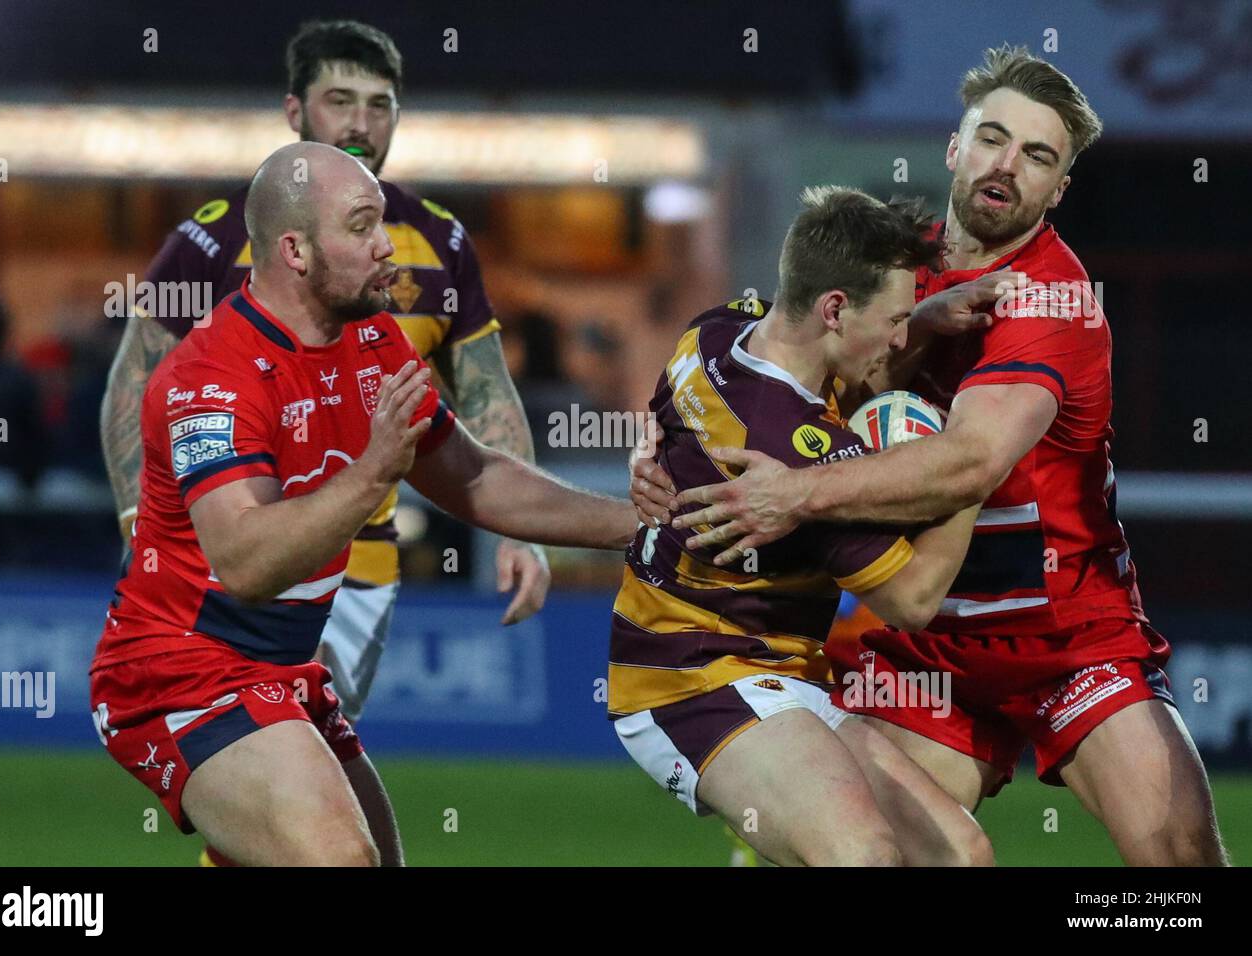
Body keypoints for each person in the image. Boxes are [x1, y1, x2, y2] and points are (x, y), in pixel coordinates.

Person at [632, 46, 1227, 866]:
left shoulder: (1051, 297)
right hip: (928, 643)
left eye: (1037, 158)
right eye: (992, 139)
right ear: (955, 149)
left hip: (1065, 637)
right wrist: (668, 432)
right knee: (879, 846)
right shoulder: (890, 265)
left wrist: (798, 494)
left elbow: (969, 463)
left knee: (1180, 870)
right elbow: (776, 353)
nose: (1005, 166)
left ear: (1057, 191)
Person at [90, 143, 635, 867]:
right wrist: (374, 471)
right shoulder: (210, 377)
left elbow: (473, 477)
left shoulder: (373, 342)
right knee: (344, 861)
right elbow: (246, 561)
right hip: (176, 673)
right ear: (295, 250)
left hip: (277, 670)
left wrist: (647, 528)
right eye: (361, 226)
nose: (388, 247)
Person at [100, 20, 547, 736]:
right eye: (340, 100)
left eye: (379, 105)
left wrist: (520, 535)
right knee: (278, 768)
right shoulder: (216, 239)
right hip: (225, 551)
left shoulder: (441, 242)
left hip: (360, 561)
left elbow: (486, 390)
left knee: (288, 763)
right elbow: (134, 382)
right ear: (293, 112)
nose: (360, 124)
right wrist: (134, 522)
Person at [611, 185, 992, 866]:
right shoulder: (794, 451)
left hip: (785, 672)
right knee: (862, 857)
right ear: (836, 309)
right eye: (897, 320)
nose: (903, 339)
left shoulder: (718, 328)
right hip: (688, 678)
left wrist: (647, 454)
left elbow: (662, 412)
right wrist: (971, 467)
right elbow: (913, 600)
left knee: (957, 855)